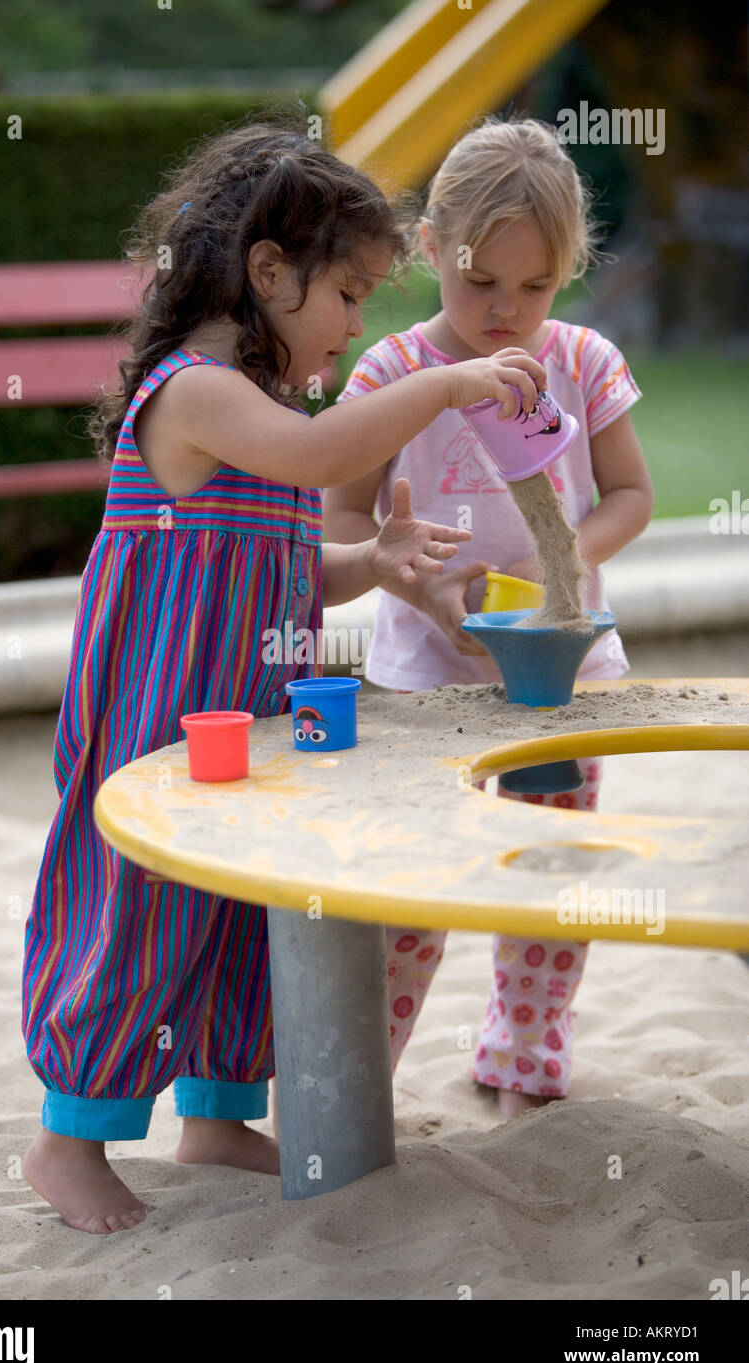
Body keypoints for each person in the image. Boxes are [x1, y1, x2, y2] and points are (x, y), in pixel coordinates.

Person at [21, 117, 549, 1232]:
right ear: (268, 271)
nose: (357, 326)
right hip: (154, 716)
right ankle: (66, 1138)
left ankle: (214, 1114)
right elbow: (320, 460)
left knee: (240, 909)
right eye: (349, 296)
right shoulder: (197, 390)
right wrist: (446, 388)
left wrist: (375, 564)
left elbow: (277, 553)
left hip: (243, 718)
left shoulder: (257, 408)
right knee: (140, 910)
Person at [324, 115, 655, 1121]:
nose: (505, 312)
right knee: (416, 887)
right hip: (428, 679)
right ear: (428, 248)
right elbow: (340, 509)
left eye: (534, 287)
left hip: (561, 683)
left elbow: (627, 494)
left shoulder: (583, 364)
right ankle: (363, 1080)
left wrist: (567, 569)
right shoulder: (389, 375)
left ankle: (522, 1053)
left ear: (567, 272)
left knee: (551, 875)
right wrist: (414, 583)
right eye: (479, 284)